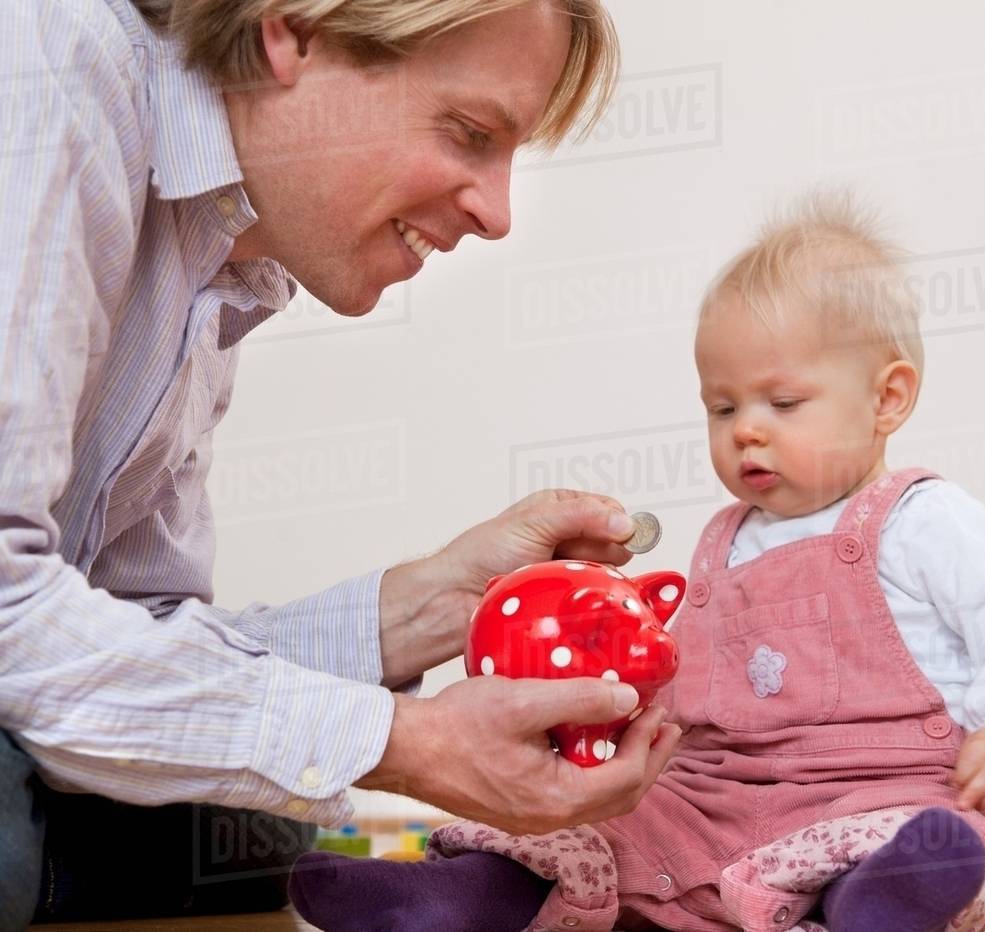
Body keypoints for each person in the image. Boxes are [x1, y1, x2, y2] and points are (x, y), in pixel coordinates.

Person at [0, 1, 681, 927]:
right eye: (470, 132)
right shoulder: (45, 74)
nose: (498, 212)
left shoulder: (218, 258)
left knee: (242, 831)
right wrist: (408, 743)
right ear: (294, 31)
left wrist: (444, 604)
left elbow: (127, 639)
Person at [286, 194, 985, 932]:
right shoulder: (721, 540)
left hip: (877, 793)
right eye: (722, 406)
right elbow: (688, 689)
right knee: (597, 831)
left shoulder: (924, 523)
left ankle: (878, 905)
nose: (746, 428)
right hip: (713, 797)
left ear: (888, 398)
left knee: (941, 841)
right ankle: (453, 899)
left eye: (782, 403)